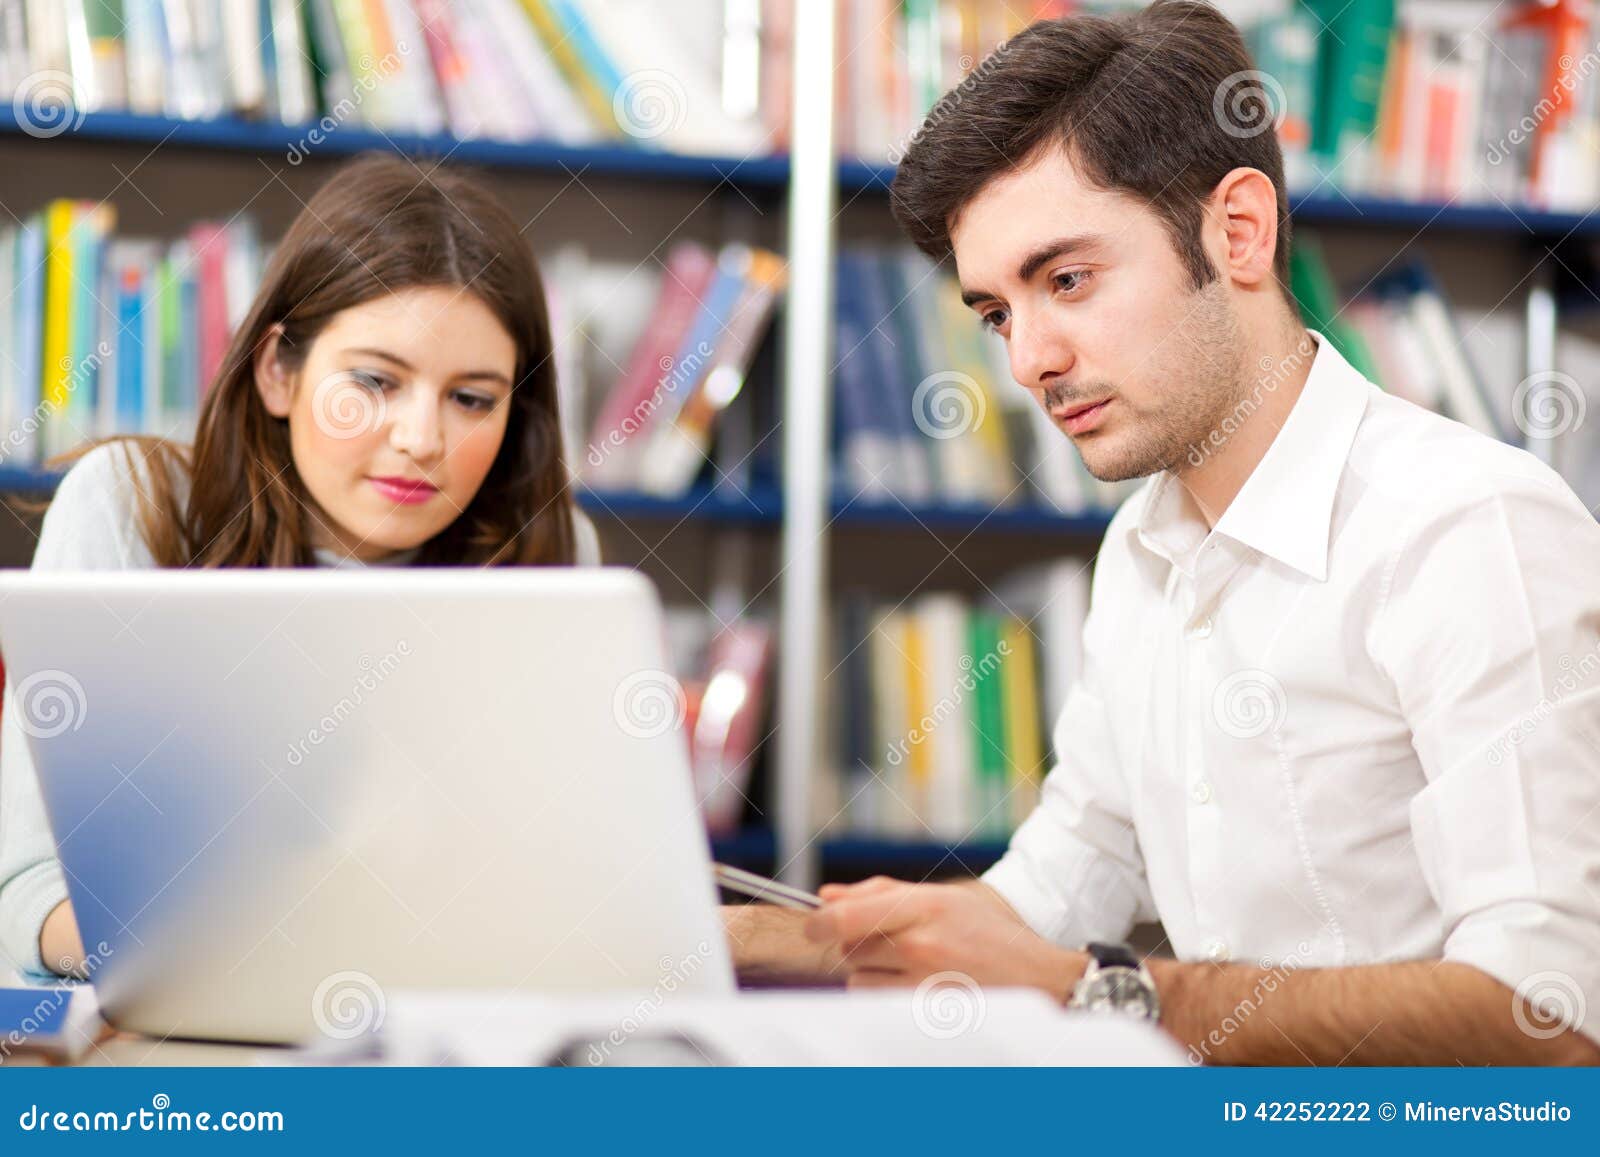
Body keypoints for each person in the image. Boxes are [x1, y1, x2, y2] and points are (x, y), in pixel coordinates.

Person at [728, 1, 1600, 1065]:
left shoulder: (1468, 529)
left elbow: (1547, 1008)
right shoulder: (1141, 547)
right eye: (997, 311)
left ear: (1237, 230)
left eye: (1066, 279)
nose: (1028, 361)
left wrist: (1104, 991)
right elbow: (1058, 885)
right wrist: (766, 942)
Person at [0, 153, 599, 982]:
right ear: (279, 370)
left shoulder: (556, 553)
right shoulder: (129, 508)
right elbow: (26, 892)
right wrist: (236, 945)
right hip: (188, 1029)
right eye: (376, 382)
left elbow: (582, 885)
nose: (422, 439)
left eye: (472, 398)